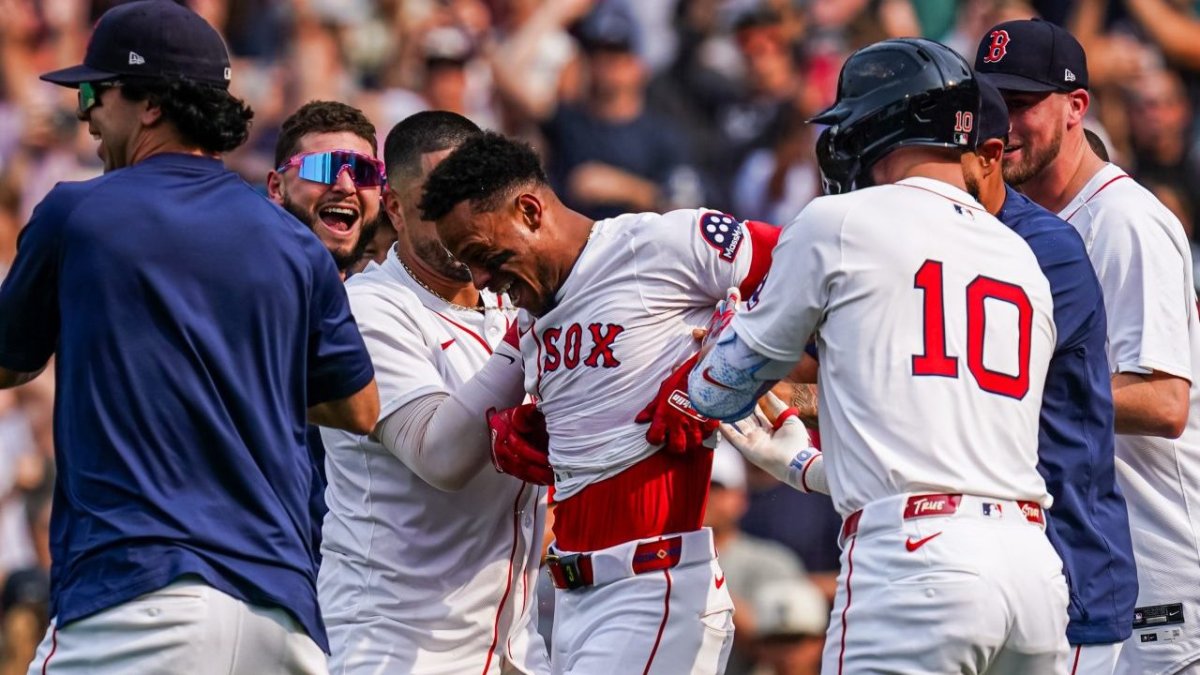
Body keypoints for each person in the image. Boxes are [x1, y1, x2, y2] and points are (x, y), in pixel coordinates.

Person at [0, 2, 379, 673]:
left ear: (148, 105)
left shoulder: (78, 213)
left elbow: (7, 361)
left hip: (136, 598)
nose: (84, 111)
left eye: (94, 90)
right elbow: (360, 409)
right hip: (281, 618)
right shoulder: (294, 243)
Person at [724, 76, 1140, 674]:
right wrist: (811, 467)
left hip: (962, 557)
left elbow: (727, 385)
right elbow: (946, 434)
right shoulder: (1018, 253)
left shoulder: (1029, 245)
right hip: (1030, 561)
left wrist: (778, 390)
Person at [420, 130, 782, 674]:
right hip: (570, 601)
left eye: (483, 255)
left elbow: (821, 286)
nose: (481, 279)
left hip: (654, 584)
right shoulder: (531, 318)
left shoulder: (663, 243)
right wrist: (524, 426)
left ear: (529, 211)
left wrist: (722, 375)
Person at [975, 19, 1200, 674]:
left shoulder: (1126, 221)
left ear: (1077, 107)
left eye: (1021, 104)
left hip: (1156, 572)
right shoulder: (1014, 228)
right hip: (1083, 565)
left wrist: (1005, 385)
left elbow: (1165, 401)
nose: (1003, 124)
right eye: (992, 105)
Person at [317, 110, 550, 675]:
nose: (459, 215)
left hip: (515, 644)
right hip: (397, 646)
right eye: (435, 198)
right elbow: (440, 455)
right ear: (394, 209)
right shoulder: (370, 309)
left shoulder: (506, 304)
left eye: (471, 194)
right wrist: (534, 330)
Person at [268, 100, 385, 278]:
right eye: (322, 168)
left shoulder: (391, 299)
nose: (346, 186)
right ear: (276, 187)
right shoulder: (239, 294)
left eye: (364, 171)